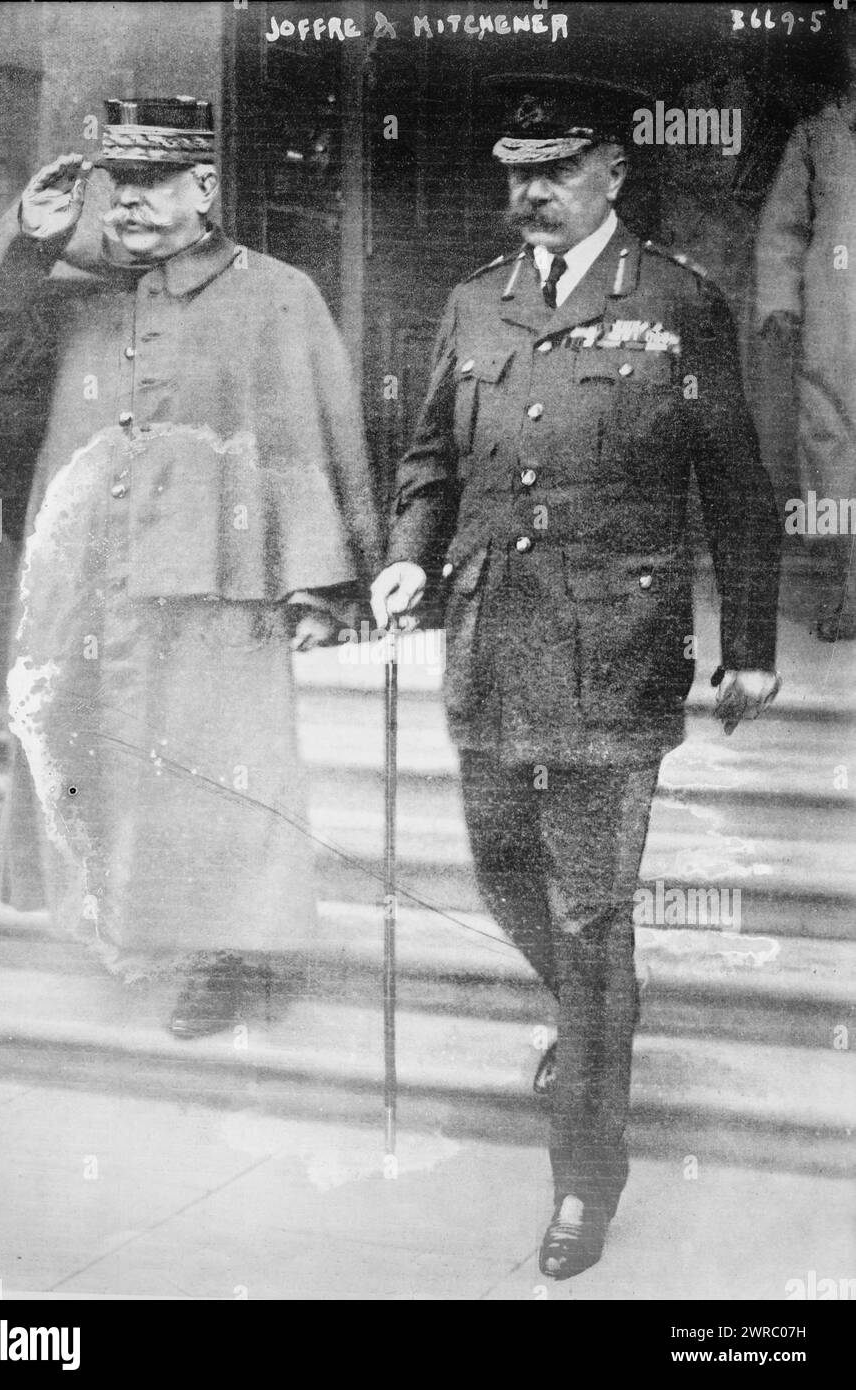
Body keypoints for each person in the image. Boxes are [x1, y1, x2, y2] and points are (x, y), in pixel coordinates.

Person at [370, 75, 782, 1280]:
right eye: (514, 172)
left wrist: (750, 648)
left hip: (614, 652)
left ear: (614, 171)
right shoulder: (475, 302)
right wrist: (406, 557)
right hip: (493, 640)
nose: (529, 193)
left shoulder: (677, 302)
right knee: (503, 863)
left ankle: (582, 1181)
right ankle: (601, 1014)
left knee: (595, 915)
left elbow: (739, 488)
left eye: (552, 170)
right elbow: (431, 457)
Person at [0, 98, 381, 1033]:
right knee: (99, 764)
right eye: (117, 184)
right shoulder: (69, 289)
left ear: (206, 188)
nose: (128, 203)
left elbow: (311, 432)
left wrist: (319, 582)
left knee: (226, 773)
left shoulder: (275, 291)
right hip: (90, 580)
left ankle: (234, 958)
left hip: (219, 580)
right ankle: (129, 932)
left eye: (151, 183)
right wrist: (24, 237)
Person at [754, 26, 856, 641]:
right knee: (834, 458)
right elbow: (783, 229)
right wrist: (779, 302)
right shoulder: (820, 135)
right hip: (835, 329)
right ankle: (852, 590)